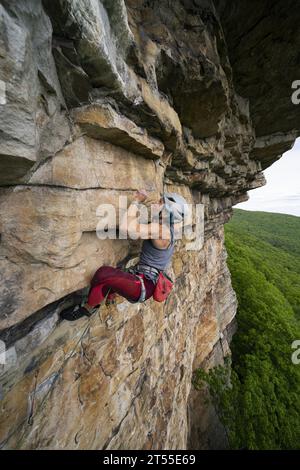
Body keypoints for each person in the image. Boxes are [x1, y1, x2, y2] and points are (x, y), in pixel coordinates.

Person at [60, 190, 189, 321]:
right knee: (109, 279)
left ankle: (88, 308)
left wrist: (137, 201)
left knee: (103, 274)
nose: (156, 202)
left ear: (168, 211)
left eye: (161, 202)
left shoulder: (162, 230)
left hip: (142, 285)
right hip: (142, 280)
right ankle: (106, 296)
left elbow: (125, 228)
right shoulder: (169, 228)